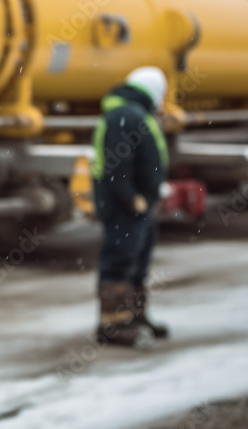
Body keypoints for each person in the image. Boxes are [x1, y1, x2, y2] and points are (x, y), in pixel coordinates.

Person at [91, 66, 171, 347]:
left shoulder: (133, 113)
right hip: (126, 205)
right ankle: (113, 325)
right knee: (120, 258)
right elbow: (116, 163)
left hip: (139, 204)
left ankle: (135, 315)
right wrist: (129, 196)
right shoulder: (125, 115)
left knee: (137, 257)